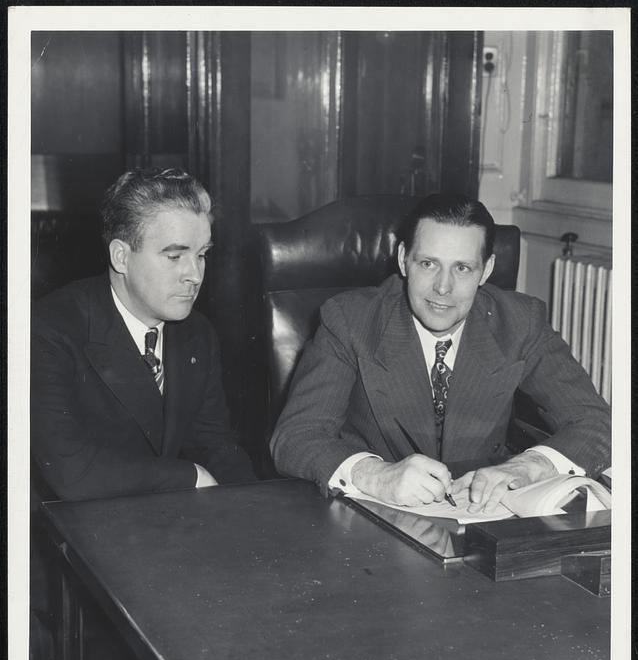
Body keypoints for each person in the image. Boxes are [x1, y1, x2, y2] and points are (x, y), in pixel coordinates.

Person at [270, 193, 611, 514]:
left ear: (487, 270)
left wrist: (530, 465)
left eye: (462, 268)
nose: (443, 287)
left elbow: (599, 424)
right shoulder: (350, 320)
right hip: (370, 518)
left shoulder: (521, 322)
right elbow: (295, 438)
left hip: (482, 515)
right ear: (404, 260)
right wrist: (375, 475)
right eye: (429, 264)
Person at [31, 167, 255, 502]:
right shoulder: (48, 329)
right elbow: (70, 470)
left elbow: (216, 443)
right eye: (175, 256)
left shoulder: (197, 332)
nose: (194, 275)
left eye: (202, 254)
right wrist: (191, 476)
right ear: (121, 256)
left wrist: (258, 511)